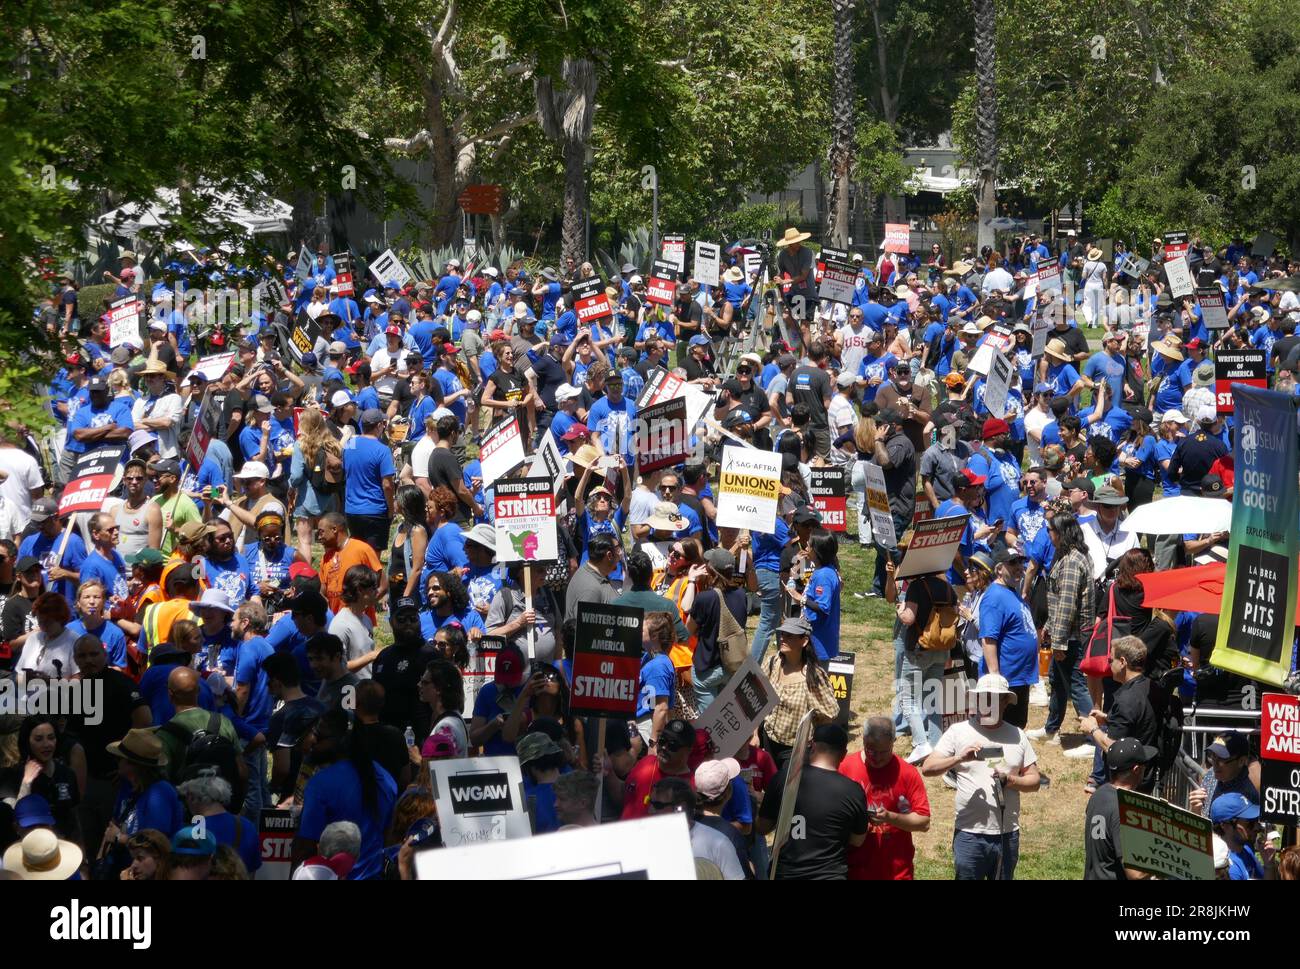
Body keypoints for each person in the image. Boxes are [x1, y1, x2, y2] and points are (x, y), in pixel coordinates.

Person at [923, 674, 1040, 880]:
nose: (988, 703)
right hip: (969, 834)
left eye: (994, 699)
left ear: (1005, 702)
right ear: (976, 700)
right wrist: (959, 758)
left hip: (1007, 834)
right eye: (984, 697)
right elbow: (928, 768)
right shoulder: (958, 731)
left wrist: (1012, 780)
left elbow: (1035, 780)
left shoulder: (1017, 735)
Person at [755, 723, 869, 880]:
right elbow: (857, 840)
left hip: (786, 874)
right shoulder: (854, 791)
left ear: (812, 746)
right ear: (843, 754)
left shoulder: (784, 779)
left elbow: (762, 827)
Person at [293, 709, 398, 880]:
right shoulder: (386, 780)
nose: (313, 742)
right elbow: (389, 839)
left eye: (319, 736)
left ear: (340, 740)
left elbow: (305, 847)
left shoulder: (321, 784)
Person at [837, 717, 931, 880]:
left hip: (896, 872)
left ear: (893, 743)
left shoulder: (907, 773)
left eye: (884, 752)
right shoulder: (845, 767)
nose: (877, 758)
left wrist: (890, 817)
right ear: (863, 740)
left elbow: (924, 822)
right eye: (871, 750)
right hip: (854, 870)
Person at [1032, 513, 1096, 750]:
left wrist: (1058, 643)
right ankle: (1051, 729)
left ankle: (1093, 736)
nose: (1048, 534)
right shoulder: (1072, 556)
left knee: (1077, 686)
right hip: (1066, 632)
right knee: (1058, 683)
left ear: (1060, 533)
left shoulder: (1070, 562)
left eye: (1050, 530)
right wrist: (1049, 627)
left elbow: (1068, 605)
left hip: (1072, 637)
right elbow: (1059, 601)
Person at [760, 617, 840, 769]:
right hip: (768, 741)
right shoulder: (773, 663)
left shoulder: (812, 675)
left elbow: (830, 713)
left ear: (804, 641)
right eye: (783, 634)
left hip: (793, 751)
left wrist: (814, 743)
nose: (783, 638)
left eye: (790, 636)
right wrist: (754, 734)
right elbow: (757, 696)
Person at [976, 549, 1040, 725]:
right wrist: (995, 678)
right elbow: (988, 639)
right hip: (1005, 680)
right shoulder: (994, 596)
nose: (1019, 567)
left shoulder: (1012, 592)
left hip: (1019, 677)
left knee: (1016, 727)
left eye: (1020, 562)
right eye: (1012, 563)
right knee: (997, 731)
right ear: (998, 569)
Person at [1083, 738, 1158, 880]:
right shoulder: (1124, 808)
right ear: (1137, 769)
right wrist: (1163, 862)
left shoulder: (1098, 795)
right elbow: (1135, 874)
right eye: (1144, 765)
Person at [342, 409, 396, 554]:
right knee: (372, 558)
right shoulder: (383, 450)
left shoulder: (350, 444)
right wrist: (391, 509)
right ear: (379, 426)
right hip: (374, 510)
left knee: (357, 555)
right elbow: (387, 485)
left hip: (352, 510)